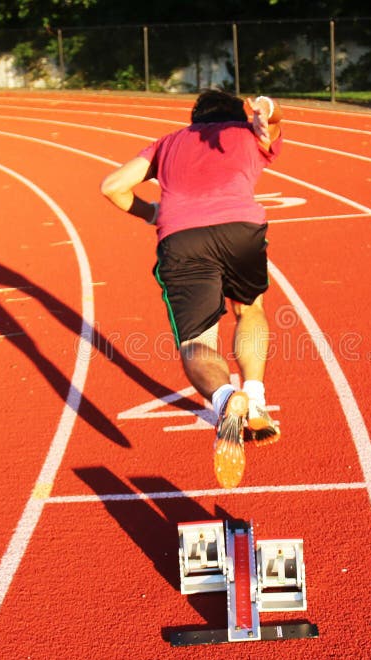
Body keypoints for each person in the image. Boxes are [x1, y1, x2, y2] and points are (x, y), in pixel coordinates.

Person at [100, 89, 283, 488]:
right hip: (241, 230)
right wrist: (266, 109)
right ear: (236, 115)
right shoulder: (247, 133)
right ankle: (255, 397)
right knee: (249, 310)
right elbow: (272, 120)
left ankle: (223, 398)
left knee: (197, 342)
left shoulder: (168, 143)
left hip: (182, 239)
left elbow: (112, 185)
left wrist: (152, 213)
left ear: (193, 119)